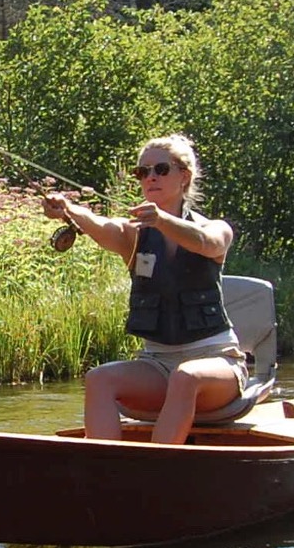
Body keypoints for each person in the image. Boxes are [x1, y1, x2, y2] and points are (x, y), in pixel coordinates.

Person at [40, 134, 243, 444]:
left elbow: (207, 244)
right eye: (142, 172)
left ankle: (156, 471)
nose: (150, 177)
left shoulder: (214, 228)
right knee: (99, 379)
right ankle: (106, 471)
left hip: (218, 364)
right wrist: (67, 208)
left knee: (186, 376)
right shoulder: (132, 236)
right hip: (158, 366)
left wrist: (162, 220)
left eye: (160, 169)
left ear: (184, 176)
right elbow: (97, 223)